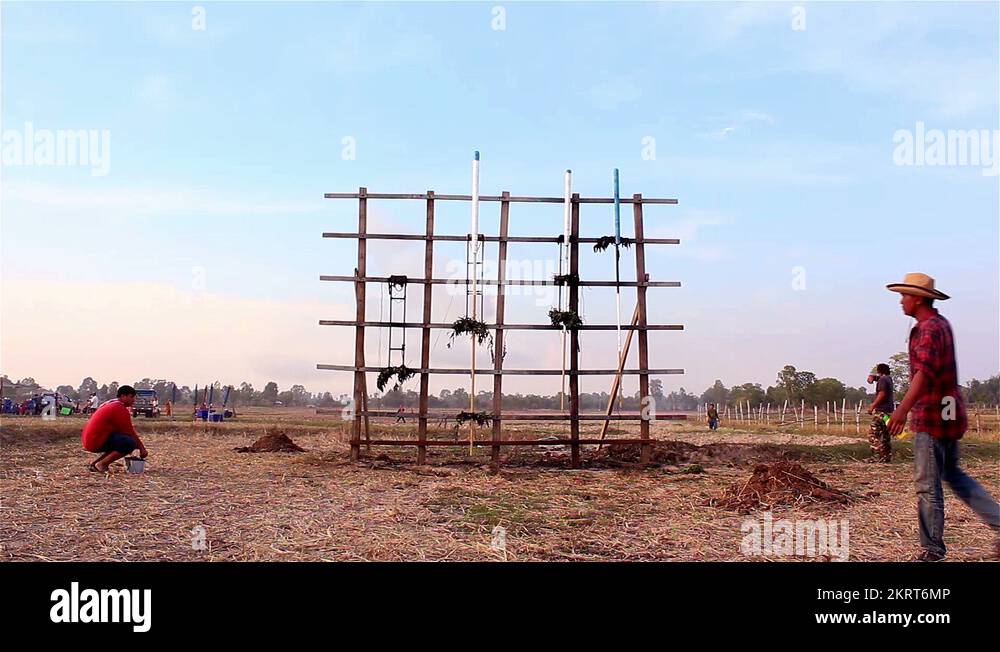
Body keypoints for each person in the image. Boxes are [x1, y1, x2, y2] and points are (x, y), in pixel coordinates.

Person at [885, 273, 999, 561]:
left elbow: (923, 374)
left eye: (905, 296)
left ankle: (932, 549)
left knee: (927, 486)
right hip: (948, 414)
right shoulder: (941, 325)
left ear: (918, 298)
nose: (901, 302)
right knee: (952, 474)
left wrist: (901, 409)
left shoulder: (928, 329)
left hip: (932, 415)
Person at [81, 385, 148, 473]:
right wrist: (142, 449)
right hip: (95, 441)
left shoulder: (111, 403)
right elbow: (130, 432)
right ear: (123, 396)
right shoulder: (118, 408)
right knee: (129, 443)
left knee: (123, 441)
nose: (133, 400)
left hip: (91, 439)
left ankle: (96, 464)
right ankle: (102, 464)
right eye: (131, 397)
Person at [866, 363, 895, 462]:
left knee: (873, 434)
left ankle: (877, 455)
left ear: (879, 371)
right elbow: (878, 378)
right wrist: (873, 378)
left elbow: (882, 394)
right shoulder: (888, 379)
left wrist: (872, 406)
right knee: (886, 435)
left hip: (881, 412)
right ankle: (886, 457)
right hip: (889, 411)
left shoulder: (882, 380)